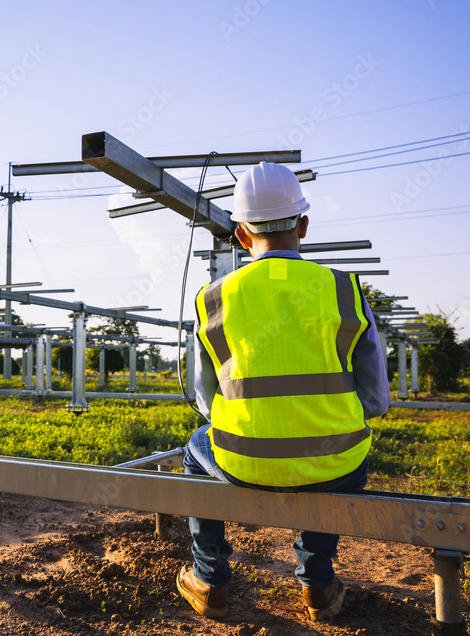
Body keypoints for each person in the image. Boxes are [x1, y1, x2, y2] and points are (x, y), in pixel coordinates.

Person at [176, 161, 390, 621]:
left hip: (241, 461)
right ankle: (317, 584)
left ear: (240, 235)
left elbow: (203, 399)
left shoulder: (212, 298)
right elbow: (376, 401)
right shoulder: (343, 290)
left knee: (196, 448)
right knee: (344, 458)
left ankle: (209, 578)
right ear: (305, 226)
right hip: (335, 461)